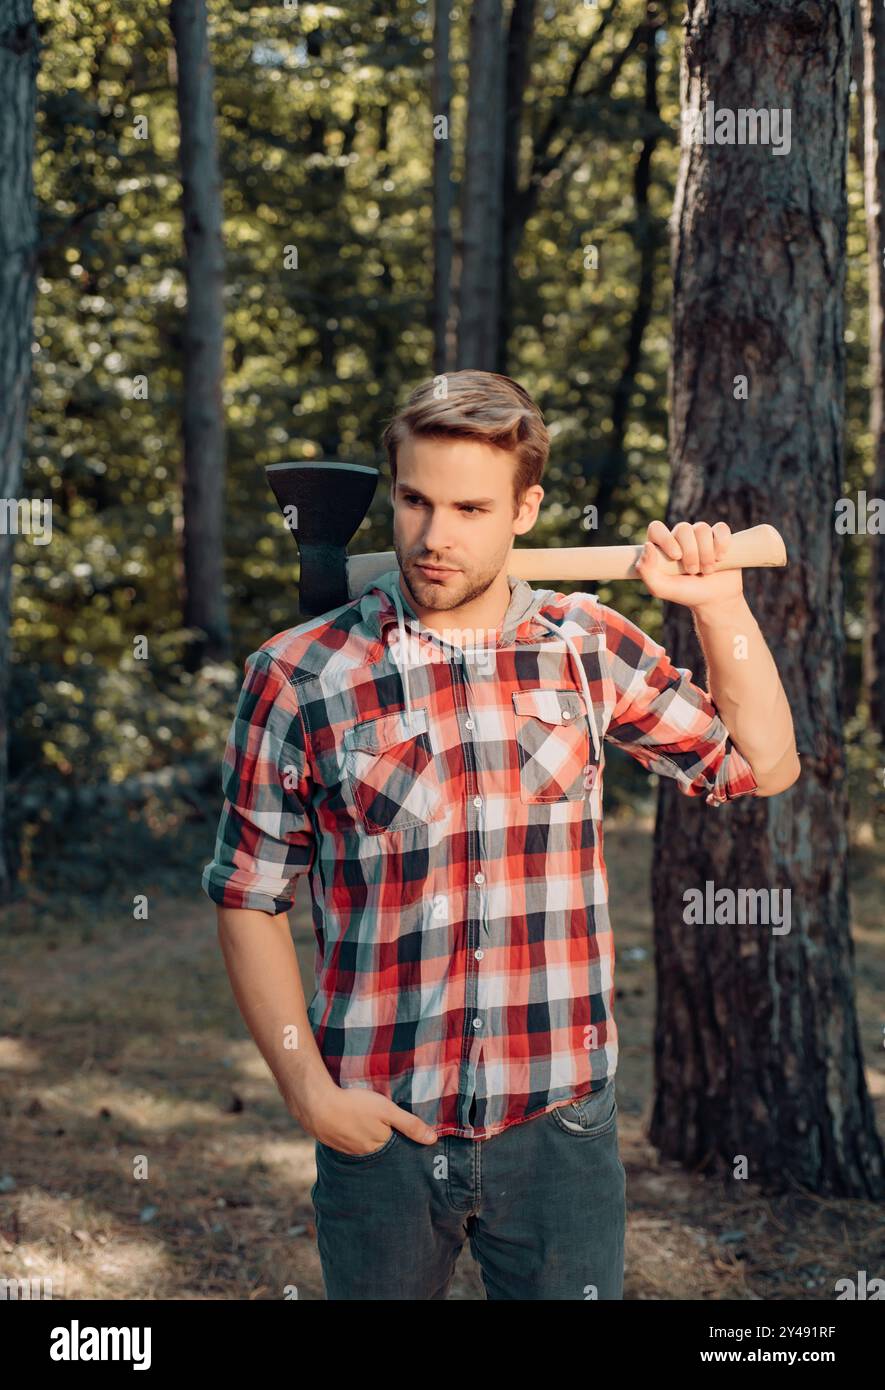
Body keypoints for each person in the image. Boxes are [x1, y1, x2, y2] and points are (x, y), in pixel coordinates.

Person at [201, 370, 800, 1300]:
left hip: (560, 1130)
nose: (435, 538)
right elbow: (248, 894)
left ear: (525, 510)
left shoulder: (586, 645)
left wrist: (719, 604)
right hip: (382, 1133)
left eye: (471, 508)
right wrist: (309, 1094)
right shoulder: (298, 675)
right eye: (413, 500)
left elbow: (759, 766)